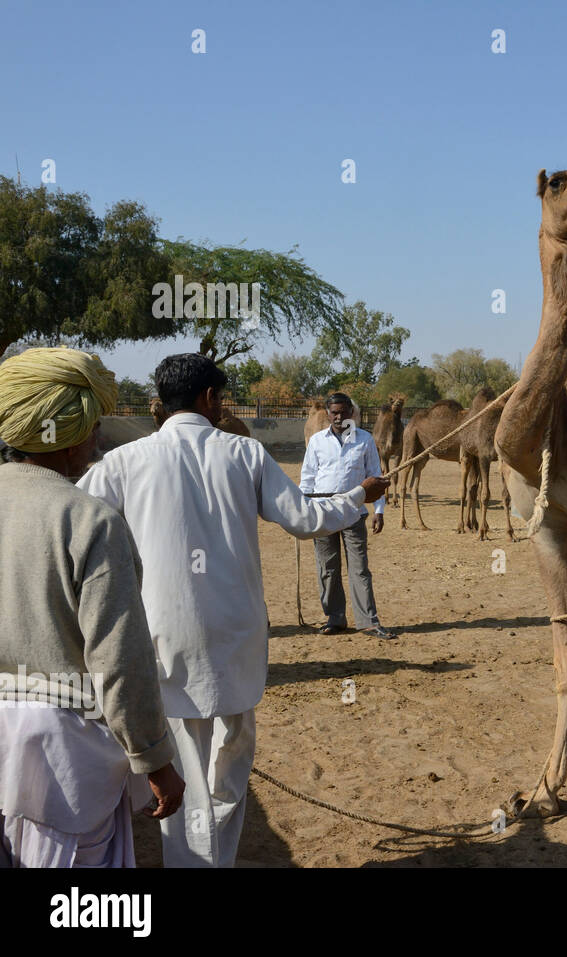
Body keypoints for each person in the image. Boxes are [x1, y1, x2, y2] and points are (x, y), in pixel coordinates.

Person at [78, 354, 387, 867]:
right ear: (208, 400)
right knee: (227, 775)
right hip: (236, 643)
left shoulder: (124, 462)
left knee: (182, 774)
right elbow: (307, 519)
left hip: (163, 641)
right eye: (220, 397)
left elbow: (70, 514)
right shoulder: (246, 455)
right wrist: (360, 496)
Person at [0, 347, 185, 867]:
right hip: (63, 759)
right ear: (67, 431)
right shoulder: (90, 520)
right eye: (93, 422)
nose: (100, 436)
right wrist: (155, 758)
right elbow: (120, 660)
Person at [301, 392, 394, 639]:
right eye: (334, 412)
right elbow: (308, 478)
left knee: (359, 568)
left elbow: (376, 477)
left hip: (354, 513)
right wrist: (303, 510)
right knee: (327, 568)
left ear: (351, 412)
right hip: (323, 511)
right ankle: (335, 618)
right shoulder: (317, 441)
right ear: (328, 413)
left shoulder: (365, 440)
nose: (339, 416)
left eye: (343, 412)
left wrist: (380, 511)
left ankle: (368, 621)